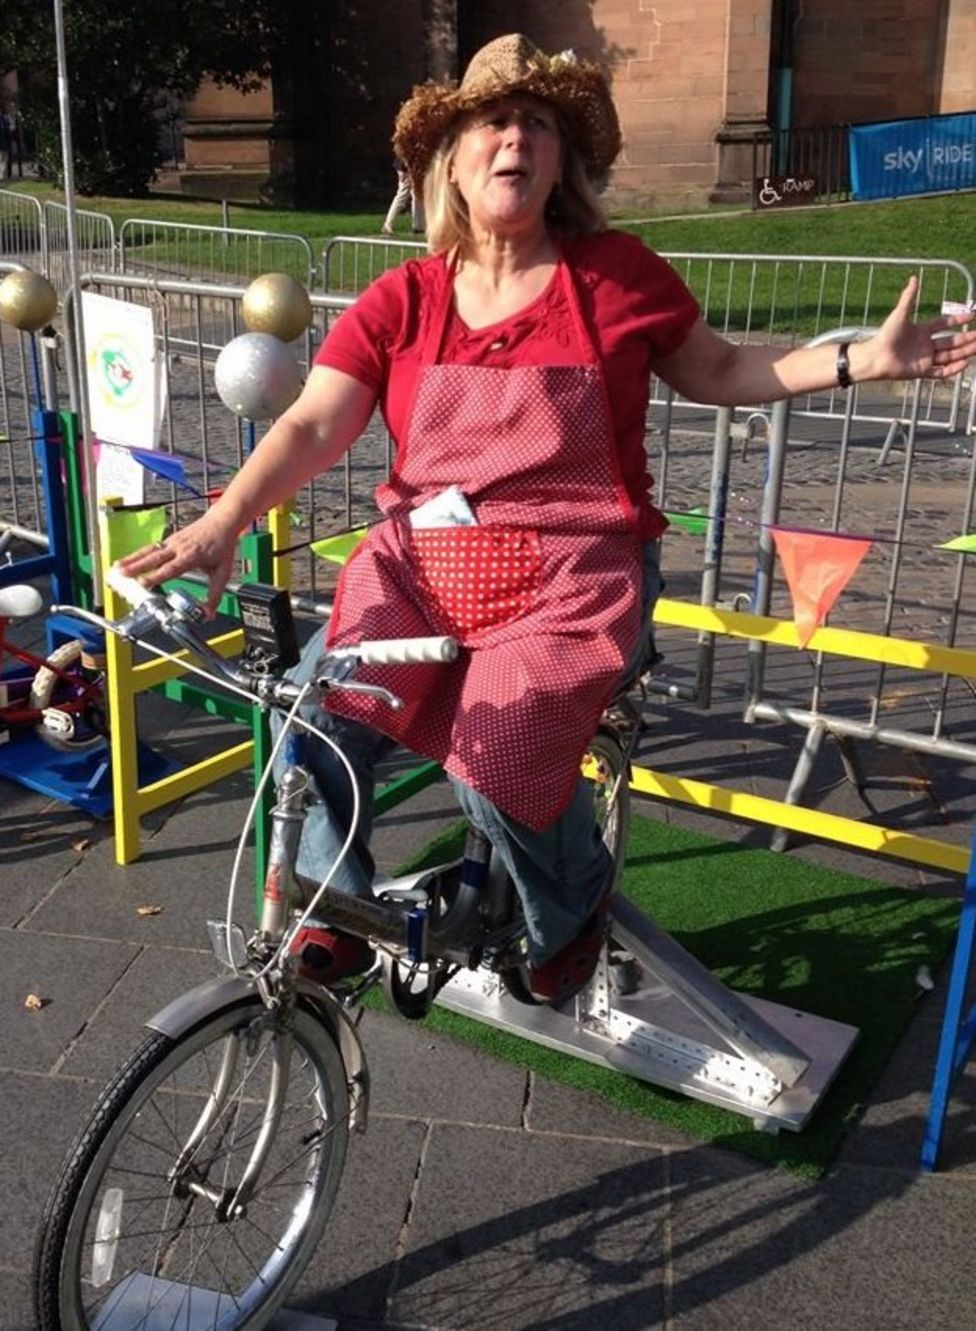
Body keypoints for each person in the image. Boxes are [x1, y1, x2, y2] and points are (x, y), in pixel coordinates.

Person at [119, 33, 976, 1004]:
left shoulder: (616, 277)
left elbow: (726, 371)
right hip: (416, 570)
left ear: (561, 156)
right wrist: (227, 517)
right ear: (452, 154)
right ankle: (334, 913)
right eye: (492, 119)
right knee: (315, 731)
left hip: (574, 581)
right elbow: (317, 419)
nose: (512, 137)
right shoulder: (401, 299)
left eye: (535, 122)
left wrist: (862, 357)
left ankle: (570, 904)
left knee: (496, 764)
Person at [381, 157, 425, 235]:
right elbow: (399, 159)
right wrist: (400, 171)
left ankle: (418, 226)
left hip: (413, 171)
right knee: (401, 198)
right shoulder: (407, 148)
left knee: (417, 197)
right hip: (406, 173)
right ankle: (388, 225)